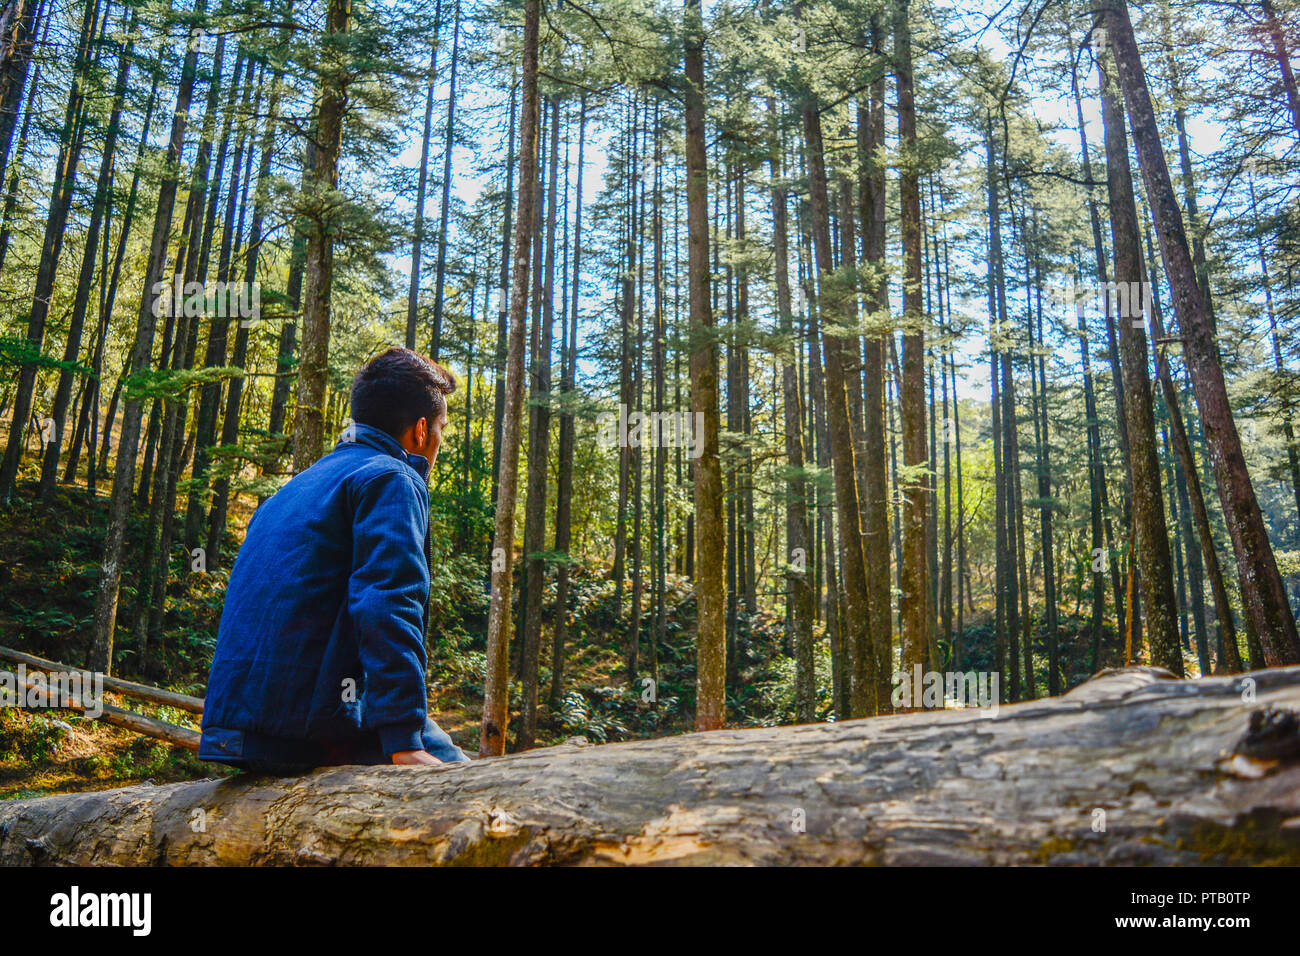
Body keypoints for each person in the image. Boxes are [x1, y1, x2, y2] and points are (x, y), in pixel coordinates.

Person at [199, 346, 469, 773]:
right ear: (421, 431)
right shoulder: (392, 478)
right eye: (441, 428)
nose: (440, 442)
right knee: (468, 781)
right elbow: (388, 602)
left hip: (236, 731)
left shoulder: (288, 491)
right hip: (310, 726)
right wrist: (402, 738)